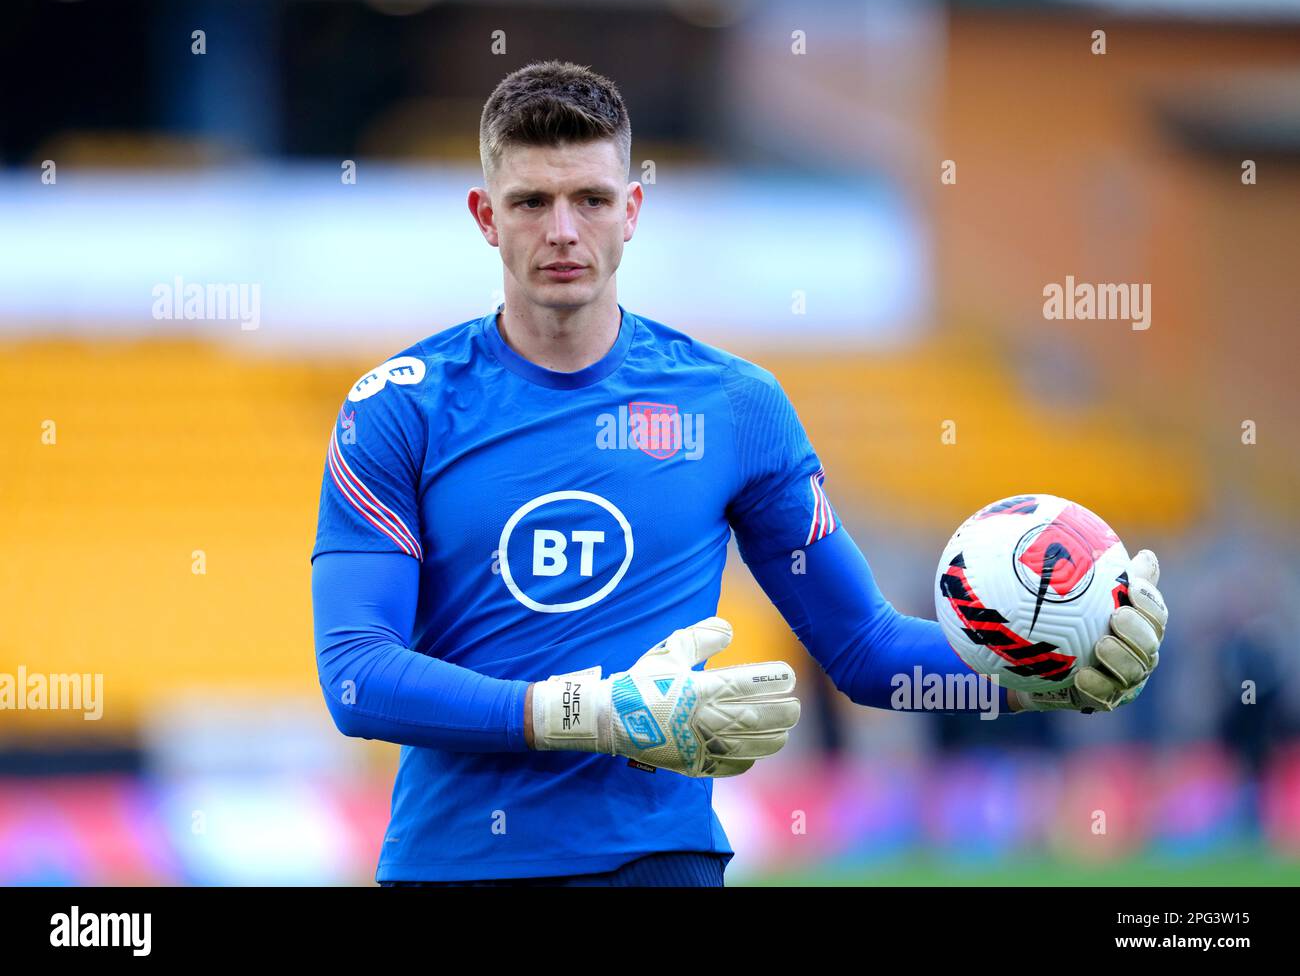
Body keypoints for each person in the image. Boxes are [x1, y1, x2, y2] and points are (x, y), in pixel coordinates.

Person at [311, 60, 1168, 887]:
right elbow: (356, 673)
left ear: (633, 209)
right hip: (451, 867)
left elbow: (865, 651)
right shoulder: (397, 408)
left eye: (592, 200)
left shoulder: (735, 406)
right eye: (531, 201)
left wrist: (1043, 673)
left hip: (654, 862)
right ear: (485, 215)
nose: (563, 231)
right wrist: (591, 714)